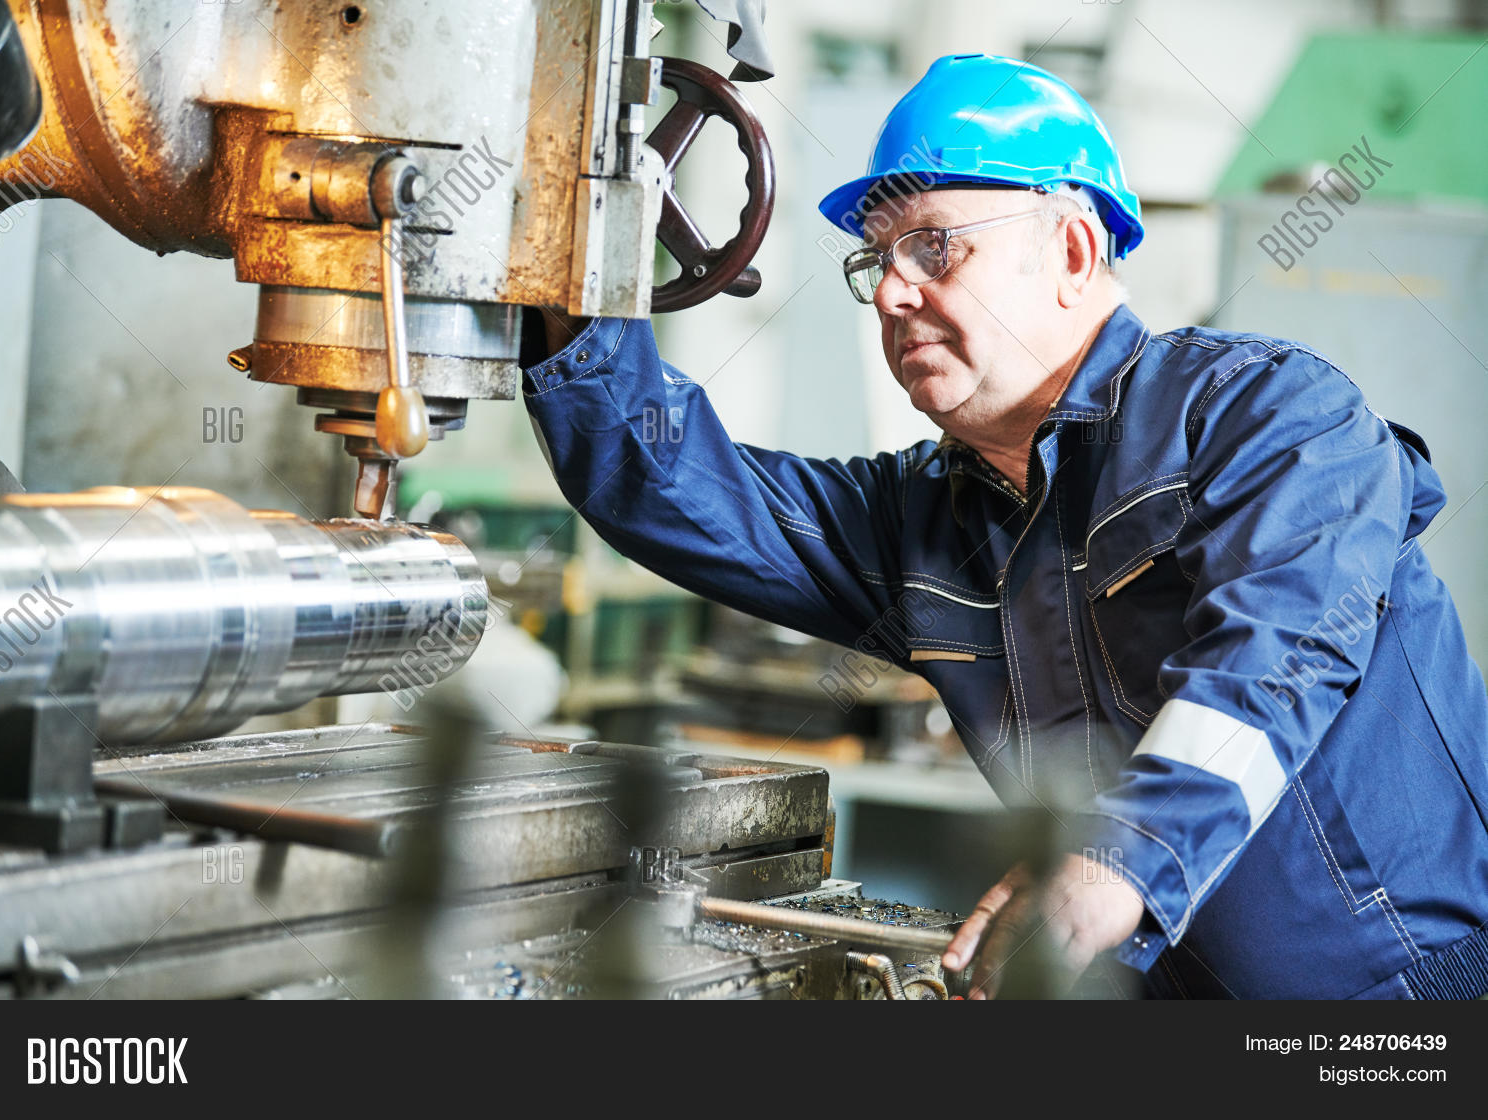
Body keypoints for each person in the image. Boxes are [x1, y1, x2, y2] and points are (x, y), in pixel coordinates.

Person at [519, 53, 1488, 999]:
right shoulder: (922, 517)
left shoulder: (1268, 413)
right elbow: (662, 479)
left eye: (934, 246)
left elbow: (1279, 652)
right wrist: (579, 231)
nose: (893, 294)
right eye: (877, 260)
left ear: (1070, 251)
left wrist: (1122, 859)